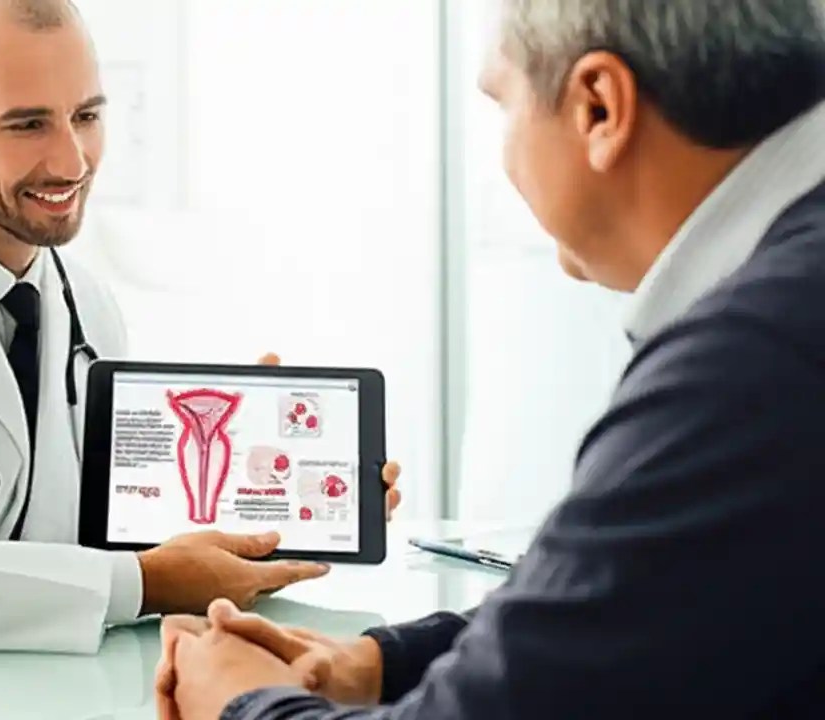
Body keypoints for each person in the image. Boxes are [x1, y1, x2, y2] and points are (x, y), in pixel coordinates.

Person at [158, 0, 825, 717]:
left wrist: (237, 699)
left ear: (600, 108)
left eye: (501, 103)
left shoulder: (749, 364)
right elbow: (641, 601)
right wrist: (383, 663)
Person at [0, 0, 400, 656]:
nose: (71, 160)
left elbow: (89, 548)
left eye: (86, 115)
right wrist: (143, 584)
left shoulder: (86, 306)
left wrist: (264, 498)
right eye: (27, 124)